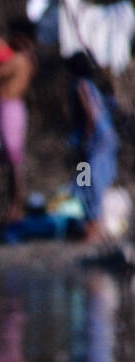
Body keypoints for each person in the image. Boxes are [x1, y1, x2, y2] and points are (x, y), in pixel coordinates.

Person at [0, 19, 37, 222]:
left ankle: (17, 207)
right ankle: (13, 206)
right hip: (9, 107)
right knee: (10, 160)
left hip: (10, 107)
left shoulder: (17, 60)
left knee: (13, 160)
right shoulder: (26, 59)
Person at [67, 52, 120, 242]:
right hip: (103, 138)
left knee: (90, 180)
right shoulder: (93, 86)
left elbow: (91, 113)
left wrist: (86, 137)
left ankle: (93, 224)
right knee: (85, 180)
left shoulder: (81, 86)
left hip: (94, 140)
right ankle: (87, 223)